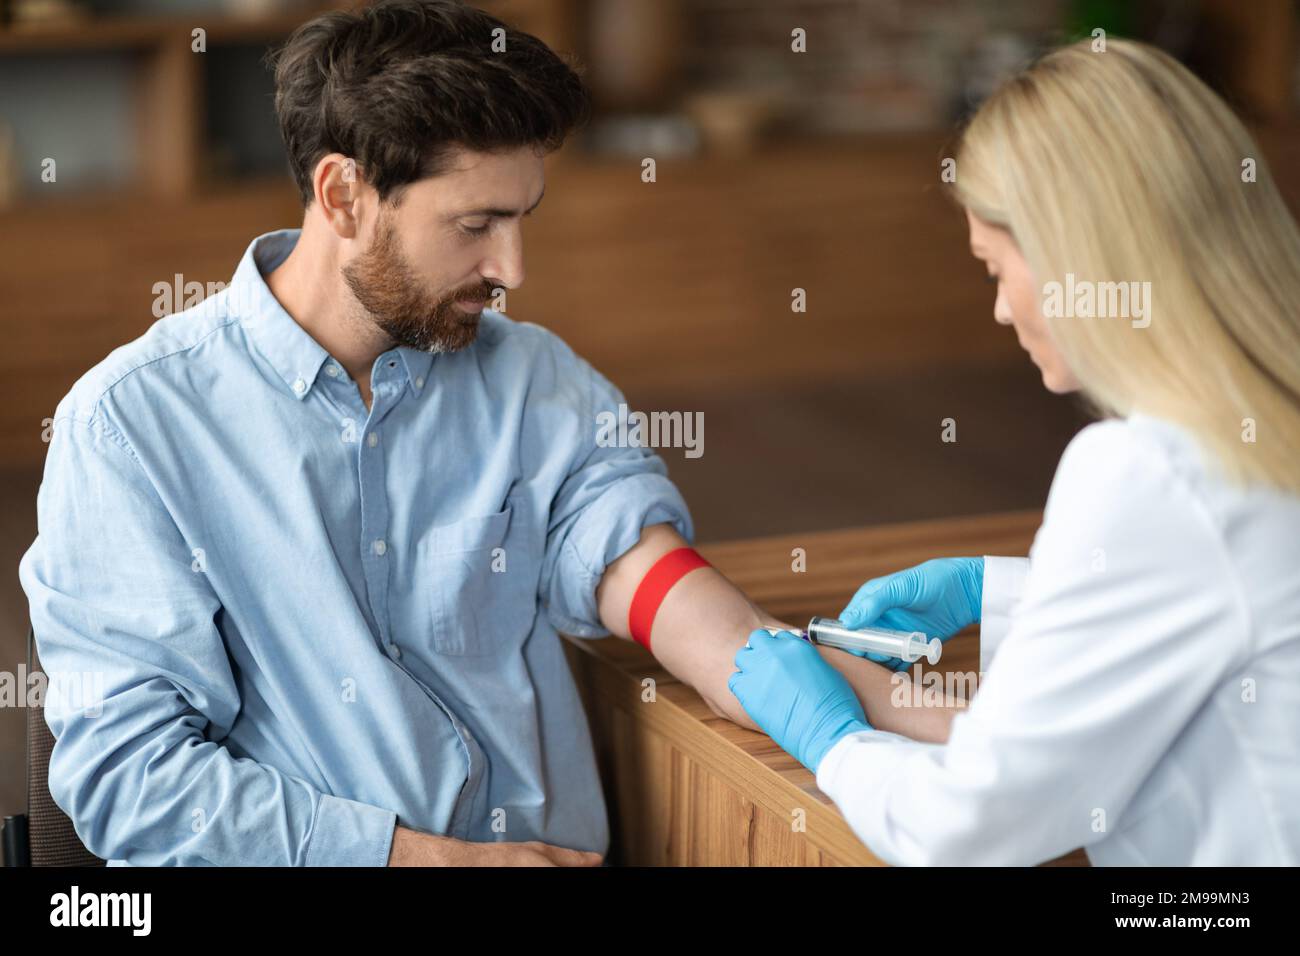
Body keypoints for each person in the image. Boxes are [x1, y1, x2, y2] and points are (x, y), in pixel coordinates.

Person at [18, 0, 882, 867]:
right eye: (475, 226)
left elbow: (644, 570)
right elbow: (130, 778)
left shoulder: (535, 381)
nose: (511, 270)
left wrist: (838, 703)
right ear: (343, 195)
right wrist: (426, 861)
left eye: (522, 219)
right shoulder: (132, 429)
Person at [729, 38, 1300, 866]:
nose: (1000, 311)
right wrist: (1000, 590)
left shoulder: (1150, 472)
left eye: (996, 268)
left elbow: (973, 827)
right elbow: (1228, 595)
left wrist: (835, 741)